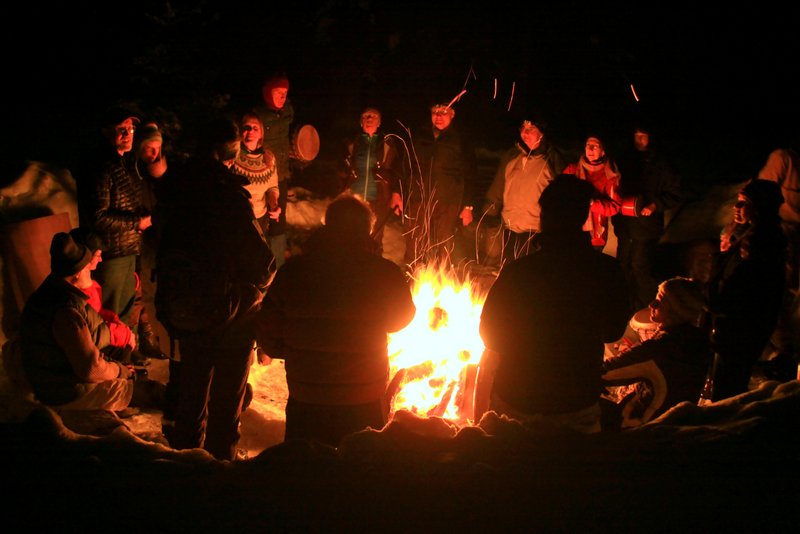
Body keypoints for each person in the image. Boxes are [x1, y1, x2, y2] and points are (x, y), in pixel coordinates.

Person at [156, 115, 275, 461]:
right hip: (225, 310)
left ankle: (185, 463)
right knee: (226, 398)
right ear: (228, 151)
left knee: (192, 390)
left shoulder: (174, 188)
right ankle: (220, 465)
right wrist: (254, 291)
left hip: (183, 307)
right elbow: (264, 262)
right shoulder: (227, 194)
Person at [255, 195, 416, 448]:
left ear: (328, 226)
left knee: (307, 466)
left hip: (307, 395)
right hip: (363, 397)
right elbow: (401, 319)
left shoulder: (294, 272)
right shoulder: (383, 272)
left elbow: (267, 328)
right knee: (357, 469)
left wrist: (294, 352)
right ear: (366, 230)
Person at [476, 174, 630, 433]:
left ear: (543, 216)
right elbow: (613, 330)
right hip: (575, 402)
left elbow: (490, 336)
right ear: (583, 217)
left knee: (511, 470)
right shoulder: (606, 271)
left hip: (517, 402)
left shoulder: (519, 272)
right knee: (567, 471)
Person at [18, 232, 158, 415]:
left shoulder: (56, 292)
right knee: (151, 391)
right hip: (62, 390)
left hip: (60, 373)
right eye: (87, 268)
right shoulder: (66, 311)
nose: (91, 271)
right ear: (76, 274)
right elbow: (91, 369)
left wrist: (118, 361)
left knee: (120, 358)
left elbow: (91, 339)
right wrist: (121, 372)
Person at [704, 178, 787, 401]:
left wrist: (712, 296)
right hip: (744, 329)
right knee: (730, 383)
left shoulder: (756, 244)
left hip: (739, 330)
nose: (736, 207)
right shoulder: (753, 236)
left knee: (726, 392)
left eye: (743, 202)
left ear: (758, 206)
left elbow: (734, 290)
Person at [601, 277, 712, 429]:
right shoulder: (697, 341)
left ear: (675, 311)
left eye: (660, 302)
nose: (651, 305)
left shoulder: (660, 349)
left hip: (644, 425)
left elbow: (604, 373)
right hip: (677, 422)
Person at [76, 106, 152, 328]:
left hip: (127, 248)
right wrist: (137, 222)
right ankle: (110, 359)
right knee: (110, 314)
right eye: (122, 129)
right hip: (111, 254)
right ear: (106, 132)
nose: (128, 134)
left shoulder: (123, 164)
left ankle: (127, 352)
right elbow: (97, 217)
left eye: (130, 128)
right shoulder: (101, 166)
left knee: (126, 309)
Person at [612, 123, 682, 313]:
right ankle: (623, 304)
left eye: (643, 136)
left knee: (640, 265)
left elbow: (675, 193)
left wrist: (654, 205)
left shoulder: (661, 164)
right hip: (625, 222)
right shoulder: (627, 160)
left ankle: (646, 306)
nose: (639, 141)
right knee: (623, 262)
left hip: (646, 226)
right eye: (637, 136)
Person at [403, 102, 478, 268]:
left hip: (448, 201)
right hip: (420, 199)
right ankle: (416, 275)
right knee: (417, 239)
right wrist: (398, 193)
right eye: (435, 112)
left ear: (452, 114)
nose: (438, 116)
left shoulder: (460, 139)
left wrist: (468, 206)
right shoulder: (421, 136)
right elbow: (407, 167)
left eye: (443, 112)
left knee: (443, 240)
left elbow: (470, 173)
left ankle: (442, 275)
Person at [483, 116, 565, 263]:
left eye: (530, 129)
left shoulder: (552, 159)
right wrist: (489, 215)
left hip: (536, 233)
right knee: (510, 276)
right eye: (522, 129)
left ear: (542, 133)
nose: (525, 133)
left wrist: (557, 228)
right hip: (509, 230)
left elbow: (562, 195)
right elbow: (497, 188)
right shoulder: (512, 156)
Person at [68, 227, 142, 365]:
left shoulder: (91, 284)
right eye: (98, 255)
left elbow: (99, 312)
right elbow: (92, 330)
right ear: (86, 256)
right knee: (123, 352)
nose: (101, 259)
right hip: (91, 346)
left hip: (101, 335)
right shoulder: (78, 294)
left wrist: (116, 321)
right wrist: (124, 335)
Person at [757, 147, 800, 380]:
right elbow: (761, 190)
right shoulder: (785, 158)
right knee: (777, 292)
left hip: (791, 235)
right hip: (782, 232)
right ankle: (783, 352)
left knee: (787, 295)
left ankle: (787, 354)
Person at [339, 106, 405, 255]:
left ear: (379, 122)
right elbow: (341, 172)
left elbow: (397, 171)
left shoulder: (389, 144)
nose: (369, 119)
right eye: (366, 116)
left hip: (379, 199)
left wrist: (396, 193)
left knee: (375, 240)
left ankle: (373, 272)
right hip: (355, 200)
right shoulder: (351, 143)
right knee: (352, 238)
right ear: (361, 122)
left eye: (373, 116)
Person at [131, 121, 169, 360]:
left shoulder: (165, 171)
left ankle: (148, 335)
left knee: (152, 290)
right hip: (136, 239)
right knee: (135, 291)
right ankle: (131, 342)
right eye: (148, 148)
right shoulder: (133, 173)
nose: (153, 153)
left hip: (158, 240)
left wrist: (163, 178)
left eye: (157, 147)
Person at [255, 72, 294, 270]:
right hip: (261, 177)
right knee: (260, 219)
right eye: (278, 92)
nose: (282, 97)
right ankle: (259, 264)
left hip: (282, 175)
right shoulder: (257, 116)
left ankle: (278, 266)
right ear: (268, 93)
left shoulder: (287, 111)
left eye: (285, 93)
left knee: (279, 218)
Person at [562, 134, 622, 251]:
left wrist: (591, 203)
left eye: (595, 146)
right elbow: (559, 195)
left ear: (603, 152)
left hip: (595, 235)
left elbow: (614, 206)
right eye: (588, 145)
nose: (590, 149)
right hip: (572, 230)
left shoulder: (609, 174)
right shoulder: (572, 170)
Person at [232, 111, 281, 236]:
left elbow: (272, 187)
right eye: (246, 128)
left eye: (255, 128)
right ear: (240, 131)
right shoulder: (232, 155)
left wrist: (274, 205)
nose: (251, 132)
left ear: (261, 134)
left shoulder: (268, 158)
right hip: (237, 219)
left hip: (260, 218)